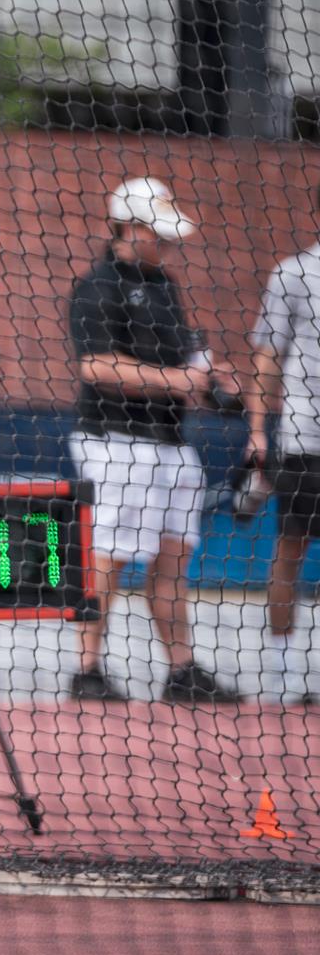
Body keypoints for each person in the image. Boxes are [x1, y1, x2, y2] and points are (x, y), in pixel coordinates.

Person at [64, 177, 241, 703]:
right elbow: (96, 366)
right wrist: (176, 380)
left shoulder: (164, 285)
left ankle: (181, 672)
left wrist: (210, 382)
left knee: (172, 560)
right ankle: (87, 670)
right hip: (117, 442)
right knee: (108, 557)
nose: (165, 243)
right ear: (127, 227)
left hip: (170, 442)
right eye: (155, 232)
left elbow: (185, 359)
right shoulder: (98, 286)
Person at [245, 183, 320, 705]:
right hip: (304, 441)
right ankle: (285, 668)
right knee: (289, 551)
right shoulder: (293, 273)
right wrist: (257, 431)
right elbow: (268, 357)